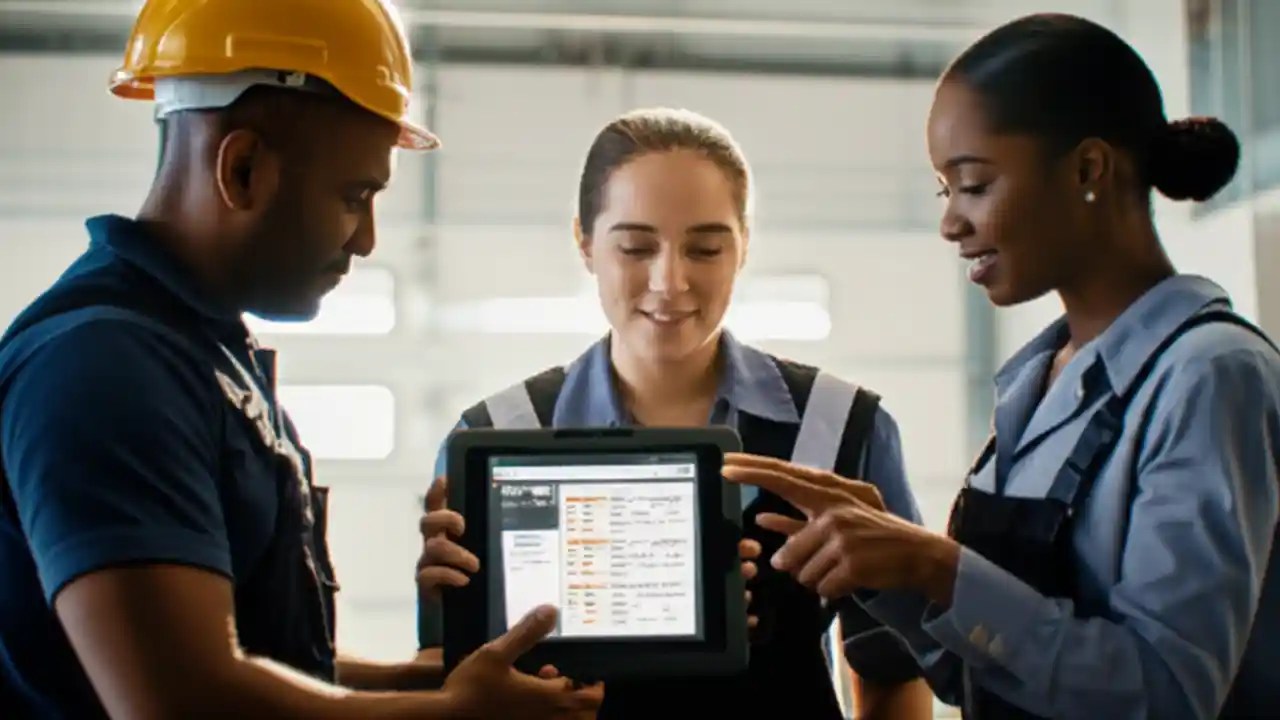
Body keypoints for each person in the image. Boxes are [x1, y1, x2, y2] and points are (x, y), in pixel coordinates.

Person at [0, 1, 603, 718]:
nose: (368, 240)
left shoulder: (203, 354)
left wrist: (429, 680)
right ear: (244, 167)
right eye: (356, 197)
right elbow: (182, 699)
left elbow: (264, 661)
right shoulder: (103, 367)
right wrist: (454, 715)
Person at [720, 12, 1280, 720]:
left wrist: (936, 566)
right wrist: (884, 563)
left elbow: (1166, 694)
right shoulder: (1036, 382)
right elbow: (978, 678)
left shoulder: (1210, 375)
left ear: (1087, 170)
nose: (950, 222)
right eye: (943, 192)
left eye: (974, 185)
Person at [415, 107, 935, 718]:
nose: (671, 281)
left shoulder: (840, 426)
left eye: (706, 248)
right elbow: (452, 681)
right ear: (583, 241)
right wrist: (451, 618)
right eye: (636, 246)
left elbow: (893, 668)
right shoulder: (497, 437)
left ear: (744, 245)